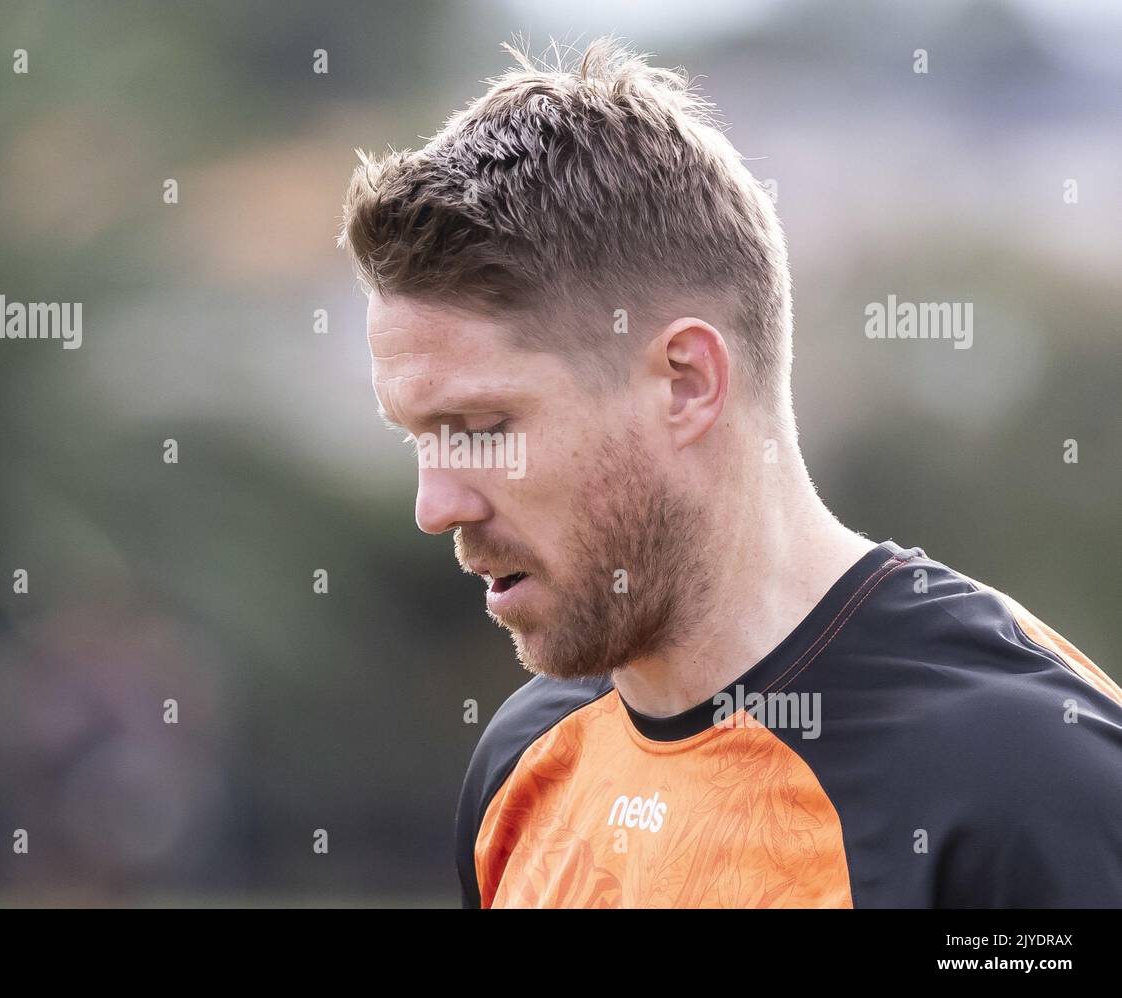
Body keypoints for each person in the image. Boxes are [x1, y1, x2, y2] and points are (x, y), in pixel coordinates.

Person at [338, 37, 1122, 908]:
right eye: (418, 437)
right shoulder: (522, 763)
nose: (435, 506)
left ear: (686, 384)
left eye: (482, 429)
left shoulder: (1027, 787)